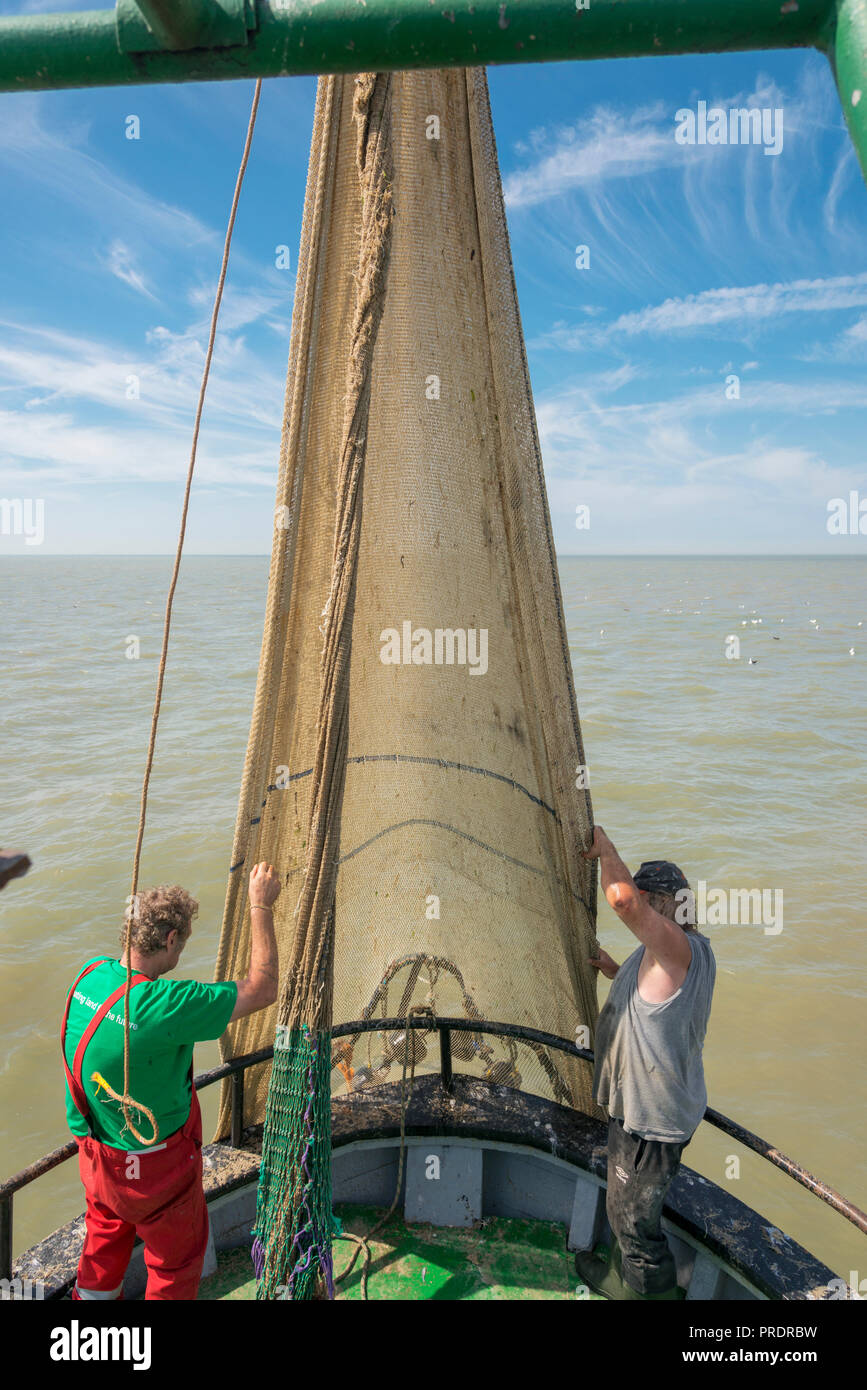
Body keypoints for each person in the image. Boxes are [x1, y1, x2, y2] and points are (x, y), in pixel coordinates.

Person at [61, 861, 281, 1301]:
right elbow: (263, 988)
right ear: (170, 939)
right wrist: (260, 904)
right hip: (157, 1175)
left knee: (101, 1253)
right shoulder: (168, 1003)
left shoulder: (87, 976)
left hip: (99, 1161)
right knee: (175, 1263)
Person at [577, 826, 715, 1301]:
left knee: (634, 1225)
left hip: (651, 1123)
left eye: (648, 898)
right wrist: (616, 970)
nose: (642, 907)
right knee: (623, 1208)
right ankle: (623, 1279)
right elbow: (660, 997)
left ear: (666, 904)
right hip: (642, 1110)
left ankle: (646, 1294)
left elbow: (622, 903)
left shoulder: (679, 949)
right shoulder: (670, 956)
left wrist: (606, 851)